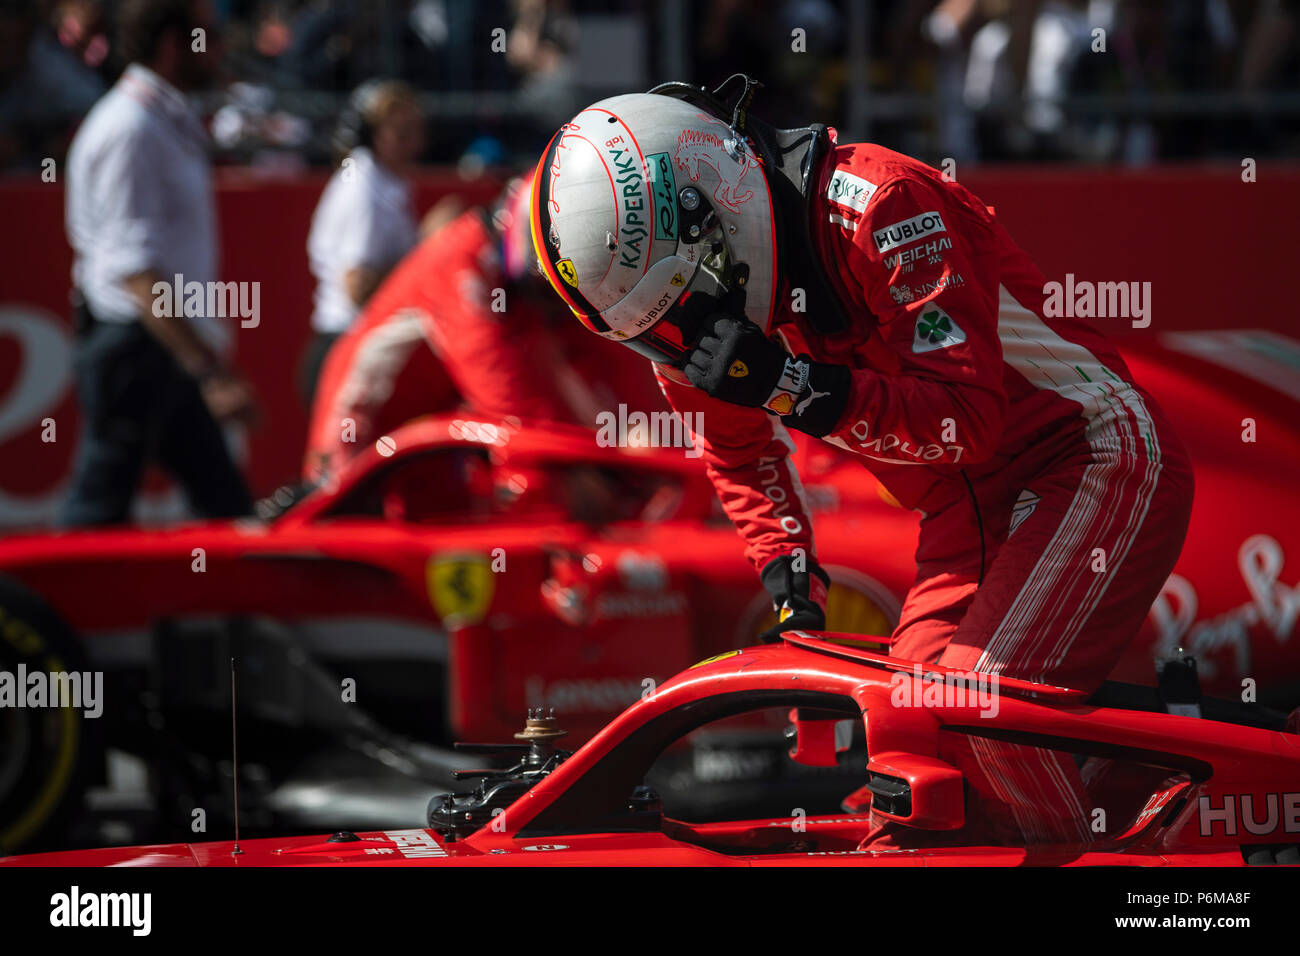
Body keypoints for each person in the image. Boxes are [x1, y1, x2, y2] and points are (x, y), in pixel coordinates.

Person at [528, 78, 1194, 847]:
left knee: (982, 719)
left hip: (1089, 452)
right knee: (906, 742)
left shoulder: (885, 206)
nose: (677, 335)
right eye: (655, 325)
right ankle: (1159, 803)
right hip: (963, 509)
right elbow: (735, 453)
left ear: (717, 217)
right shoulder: (682, 320)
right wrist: (790, 583)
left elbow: (970, 422)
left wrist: (796, 387)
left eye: (681, 303)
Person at [62, 0, 255, 526]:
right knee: (98, 509)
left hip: (159, 348)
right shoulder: (132, 129)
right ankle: (41, 607)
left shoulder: (161, 120)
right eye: (208, 36)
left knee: (223, 501)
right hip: (135, 350)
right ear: (175, 44)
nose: (220, 49)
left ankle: (231, 606)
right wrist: (209, 371)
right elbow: (138, 274)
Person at [303, 176, 583, 484]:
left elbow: (556, 374)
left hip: (423, 434)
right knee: (337, 516)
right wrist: (571, 464)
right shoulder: (460, 259)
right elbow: (496, 380)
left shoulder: (513, 283)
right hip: (359, 423)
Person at [302, 79, 423, 403]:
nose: (414, 144)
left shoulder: (379, 183)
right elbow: (358, 288)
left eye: (416, 132)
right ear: (372, 135)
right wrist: (428, 251)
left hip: (348, 349)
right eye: (401, 134)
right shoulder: (365, 191)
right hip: (346, 352)